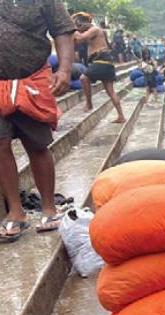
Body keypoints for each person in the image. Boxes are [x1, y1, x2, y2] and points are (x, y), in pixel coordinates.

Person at [0, 0, 76, 242]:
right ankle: (15, 211)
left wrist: (64, 70)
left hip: (32, 81)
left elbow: (62, 30)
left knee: (37, 145)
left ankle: (49, 207)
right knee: (0, 146)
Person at [73, 13, 125, 123]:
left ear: (83, 23)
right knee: (111, 92)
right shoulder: (93, 31)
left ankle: (89, 104)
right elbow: (77, 40)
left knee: (83, 78)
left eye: (78, 25)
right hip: (104, 62)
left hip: (101, 61)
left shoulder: (95, 29)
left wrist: (72, 29)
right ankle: (121, 116)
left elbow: (80, 38)